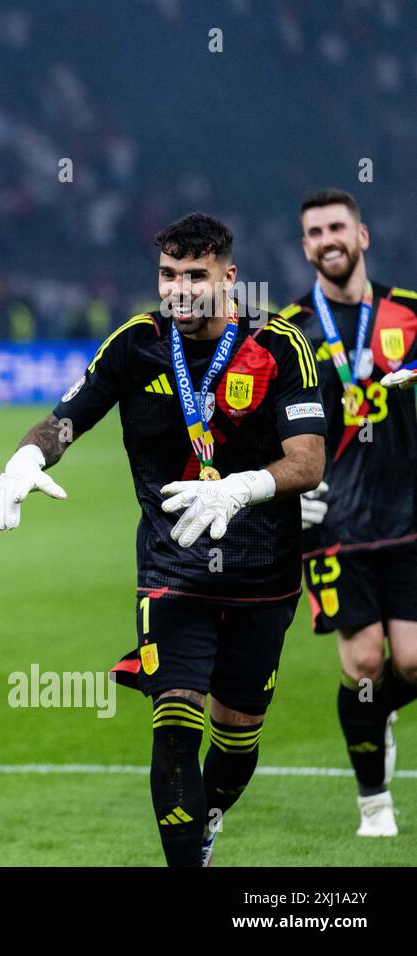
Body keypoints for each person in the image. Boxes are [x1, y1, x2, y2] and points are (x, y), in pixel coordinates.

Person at [0, 213, 325, 866]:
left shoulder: (278, 345)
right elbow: (64, 419)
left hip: (263, 569)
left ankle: (211, 814)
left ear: (230, 278)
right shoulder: (135, 343)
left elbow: (308, 461)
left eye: (196, 276)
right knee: (173, 729)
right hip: (173, 569)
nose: (180, 289)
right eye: (169, 275)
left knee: (237, 737)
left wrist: (237, 489)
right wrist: (26, 459)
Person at [278, 188, 417, 837]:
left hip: (409, 515)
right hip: (331, 522)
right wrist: (285, 490)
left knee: (412, 664)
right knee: (362, 663)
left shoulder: (410, 314)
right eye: (315, 231)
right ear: (305, 247)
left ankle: (377, 712)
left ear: (362, 236)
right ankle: (374, 803)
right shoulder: (287, 332)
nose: (328, 238)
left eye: (338, 226)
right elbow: (255, 426)